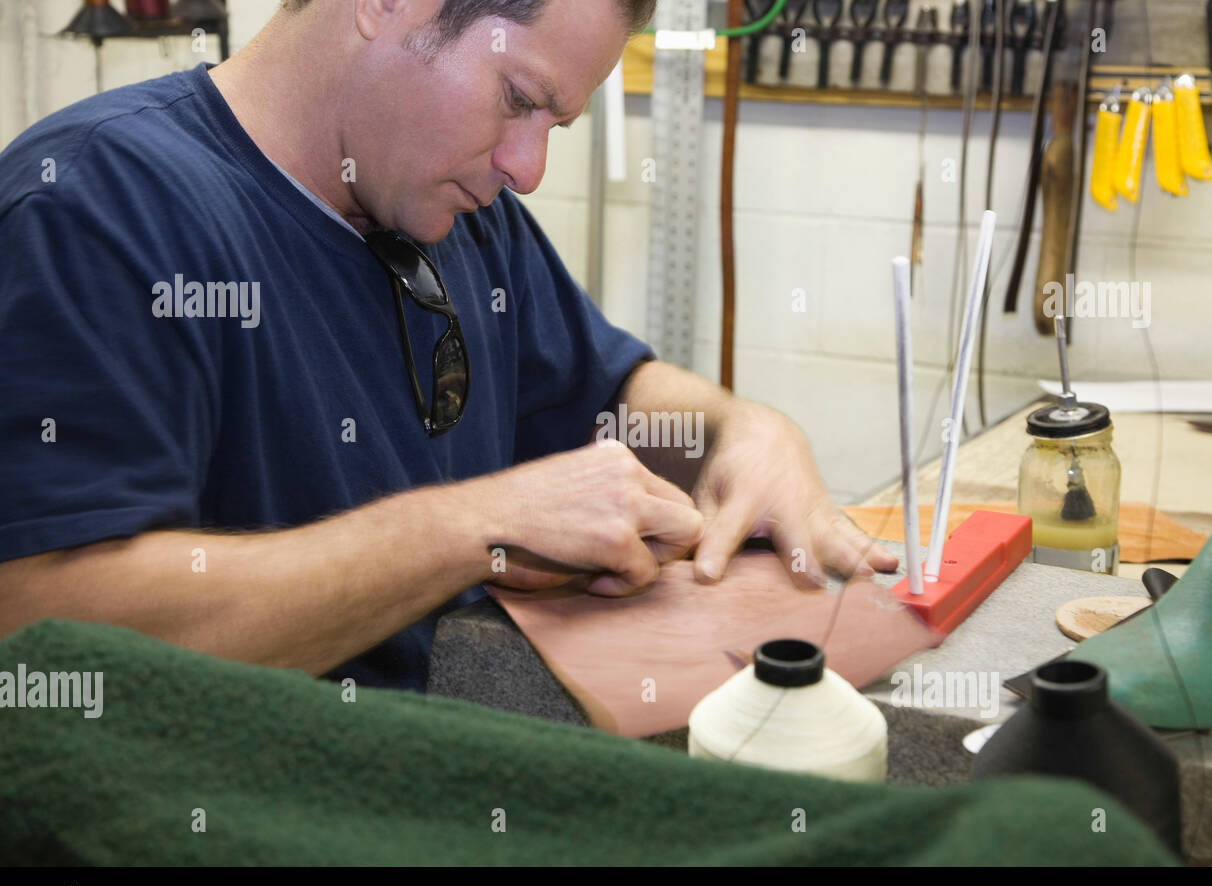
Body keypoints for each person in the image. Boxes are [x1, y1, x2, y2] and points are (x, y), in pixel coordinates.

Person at [0, 0, 896, 692]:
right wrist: (474, 527)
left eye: (555, 127)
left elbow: (611, 395)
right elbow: (45, 626)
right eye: (518, 101)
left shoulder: (460, 217)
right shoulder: (99, 210)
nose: (528, 169)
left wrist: (743, 432)